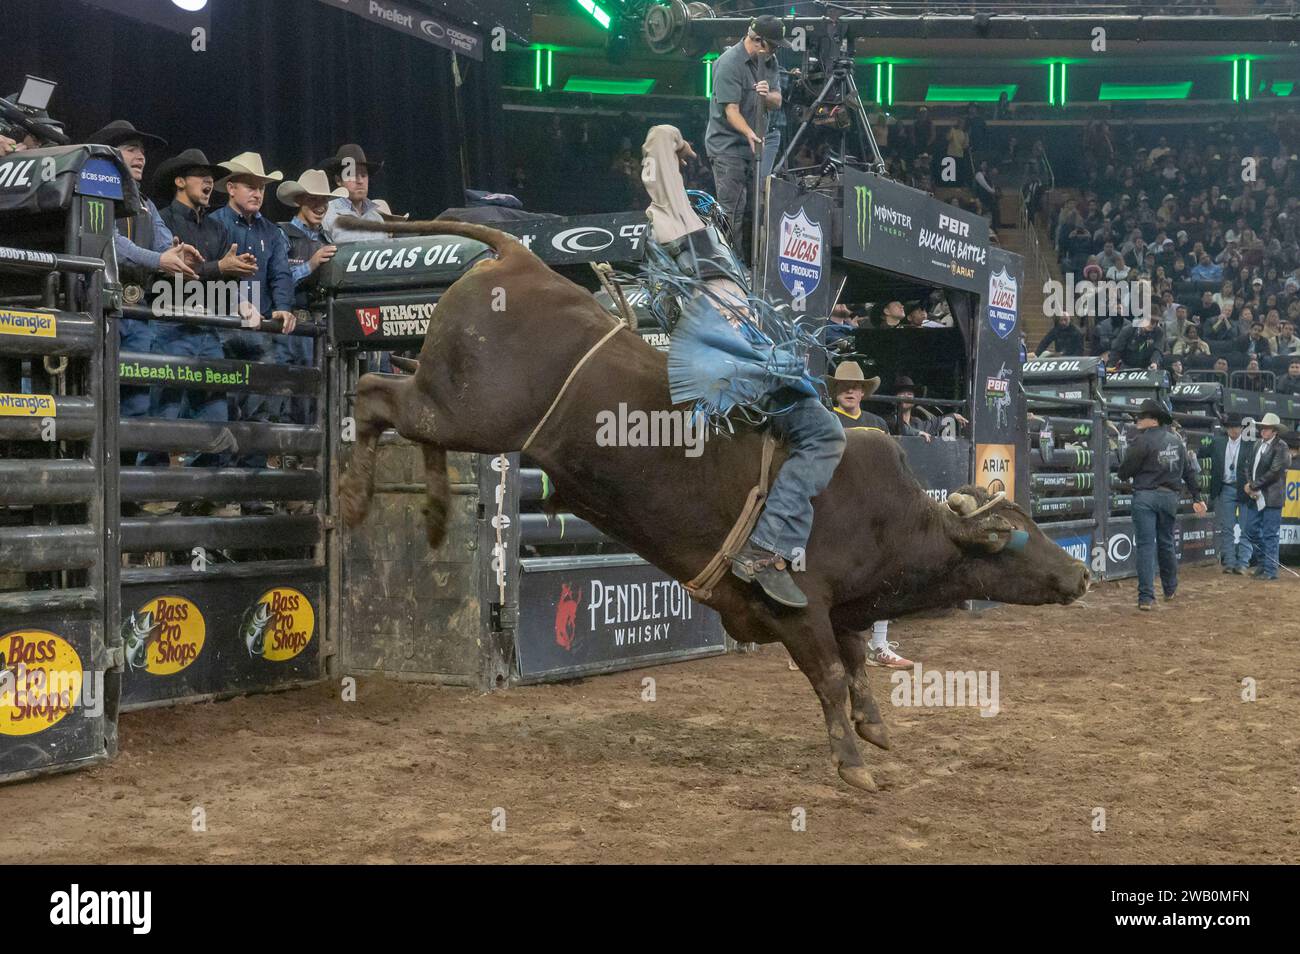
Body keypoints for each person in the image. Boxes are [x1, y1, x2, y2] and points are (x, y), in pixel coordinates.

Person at [86, 120, 202, 421]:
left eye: (142, 151)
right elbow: (109, 242)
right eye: (131, 149)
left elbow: (164, 244)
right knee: (98, 391)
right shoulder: (96, 192)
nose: (141, 157)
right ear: (111, 154)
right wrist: (159, 260)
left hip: (137, 314)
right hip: (101, 309)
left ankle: (123, 466)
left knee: (137, 400)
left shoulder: (146, 203)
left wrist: (181, 255)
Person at [152, 147, 257, 475]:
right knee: (164, 411)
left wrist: (240, 299)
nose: (209, 181)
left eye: (212, 177)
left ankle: (204, 489)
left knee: (214, 413)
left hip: (208, 330)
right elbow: (170, 270)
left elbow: (223, 276)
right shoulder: (163, 220)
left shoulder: (216, 228)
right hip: (171, 326)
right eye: (201, 176)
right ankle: (149, 490)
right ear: (180, 181)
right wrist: (222, 267)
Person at [208, 152, 297, 500]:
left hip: (259, 329)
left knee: (261, 408)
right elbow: (208, 275)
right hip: (223, 327)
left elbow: (281, 274)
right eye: (250, 185)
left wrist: (285, 308)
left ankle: (252, 491)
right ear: (231, 187)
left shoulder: (271, 231)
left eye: (261, 187)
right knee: (224, 406)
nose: (257, 193)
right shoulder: (216, 224)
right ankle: (221, 490)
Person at [825, 362, 913, 669]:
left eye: (855, 386)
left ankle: (879, 645)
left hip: (874, 512)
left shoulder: (878, 423)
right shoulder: (825, 420)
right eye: (844, 385)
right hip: (835, 511)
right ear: (836, 390)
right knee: (828, 577)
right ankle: (820, 645)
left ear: (863, 391)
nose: (850, 390)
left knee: (885, 573)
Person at [704, 15, 784, 261]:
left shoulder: (769, 60)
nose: (776, 50)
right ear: (758, 41)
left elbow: (777, 101)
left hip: (758, 142)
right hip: (728, 146)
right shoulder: (729, 63)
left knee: (759, 206)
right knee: (732, 211)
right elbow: (731, 111)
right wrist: (749, 132)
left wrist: (766, 94)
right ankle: (731, 267)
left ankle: (755, 264)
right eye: (774, 45)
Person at [1116, 399, 1207, 610]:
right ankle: (1170, 587)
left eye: (1142, 416)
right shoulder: (1176, 441)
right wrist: (1197, 497)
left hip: (1145, 496)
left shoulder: (1141, 441)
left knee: (1146, 545)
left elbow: (1124, 472)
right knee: (1166, 542)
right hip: (1168, 498)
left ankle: (1146, 597)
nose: (1138, 420)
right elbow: (1189, 472)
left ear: (1153, 420)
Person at [275, 169, 339, 426]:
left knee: (317, 392)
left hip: (320, 326)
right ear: (300, 200)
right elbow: (277, 279)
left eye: (323, 201)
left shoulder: (327, 238)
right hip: (292, 325)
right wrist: (310, 265)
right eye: (313, 199)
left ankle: (311, 453)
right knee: (288, 388)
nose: (320, 206)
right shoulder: (282, 233)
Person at [1241, 413, 1289, 582]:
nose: (1263, 430)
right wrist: (1249, 484)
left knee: (1269, 533)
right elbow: (1247, 465)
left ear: (1274, 431)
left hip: (1271, 497)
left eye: (1267, 428)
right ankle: (1264, 564)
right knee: (1250, 530)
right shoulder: (1257, 445)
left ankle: (1270, 569)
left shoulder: (1281, 447)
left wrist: (1252, 486)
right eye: (1263, 427)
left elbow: (1274, 473)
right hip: (1258, 495)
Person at [1209, 415, 1255, 575]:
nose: (1233, 430)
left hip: (1245, 489)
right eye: (1229, 427)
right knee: (1227, 528)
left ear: (1242, 429)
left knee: (1245, 528)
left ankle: (1242, 563)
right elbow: (1203, 451)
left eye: (1235, 427)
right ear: (1226, 429)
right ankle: (1229, 562)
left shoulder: (1251, 446)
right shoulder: (1218, 443)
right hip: (1226, 487)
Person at [321, 144, 388, 244]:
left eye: (364, 175)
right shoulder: (327, 216)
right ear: (338, 180)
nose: (360, 181)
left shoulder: (377, 219)